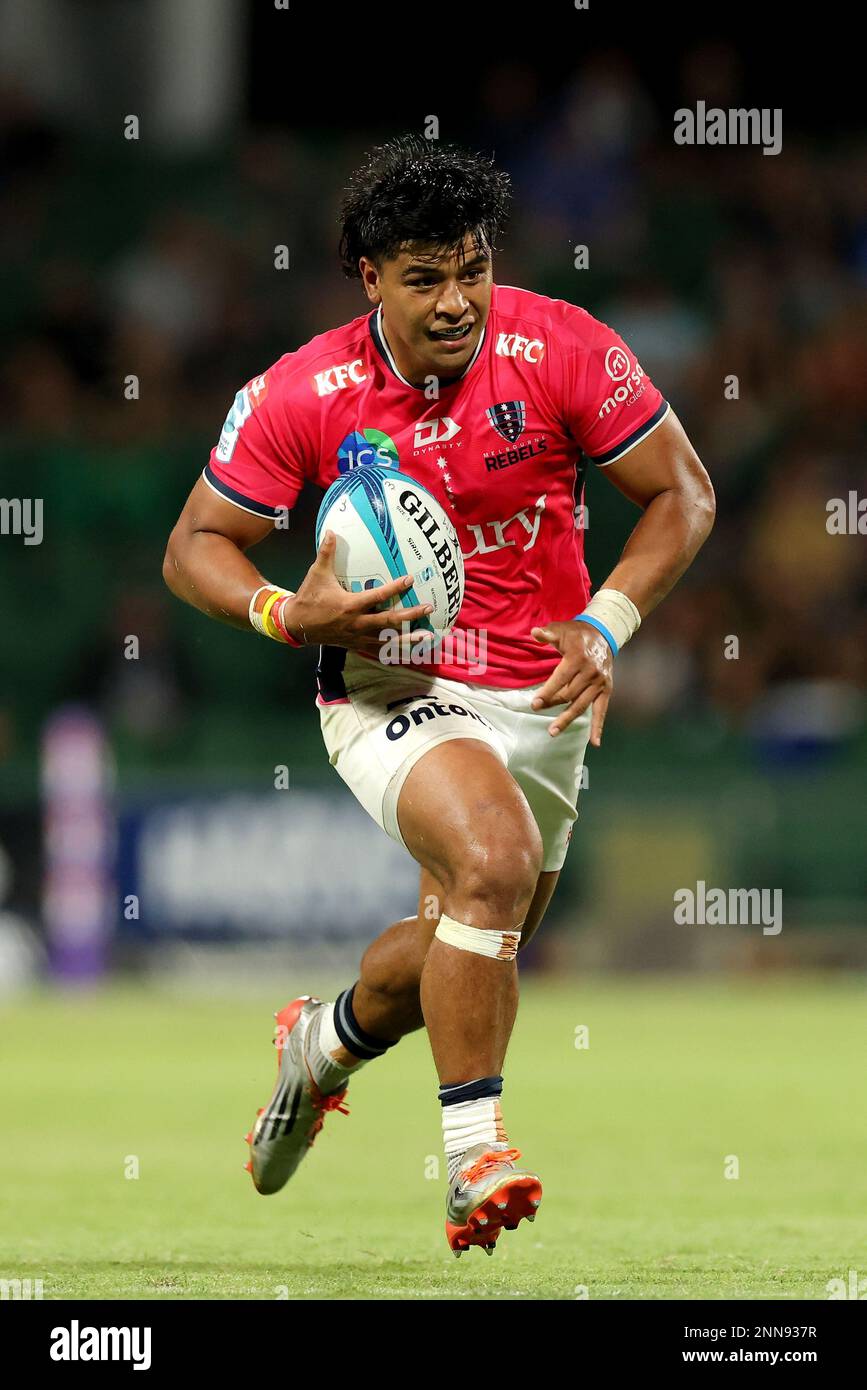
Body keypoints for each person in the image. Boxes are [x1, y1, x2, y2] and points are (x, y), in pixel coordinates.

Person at [162, 134, 715, 1256]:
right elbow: (193, 546)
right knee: (494, 866)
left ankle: (320, 1045)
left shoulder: (563, 346)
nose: (458, 300)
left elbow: (684, 496)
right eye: (425, 277)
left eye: (472, 268)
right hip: (389, 684)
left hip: (545, 690)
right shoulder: (303, 390)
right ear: (369, 276)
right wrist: (285, 610)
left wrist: (606, 624)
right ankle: (475, 1158)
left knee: (469, 933)